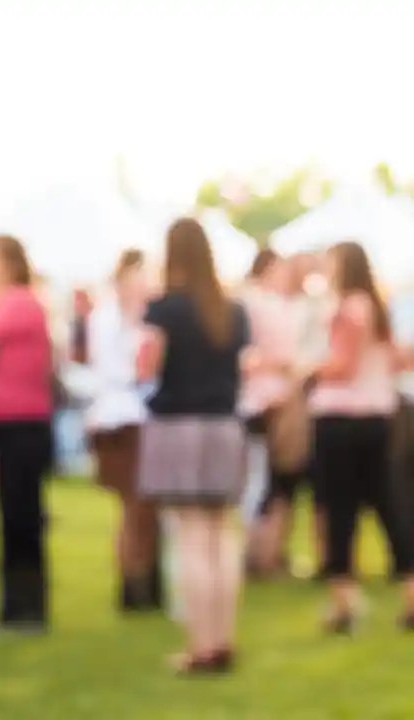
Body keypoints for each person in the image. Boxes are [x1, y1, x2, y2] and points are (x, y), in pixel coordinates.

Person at [137, 218, 249, 673]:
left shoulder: (166, 309)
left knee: (190, 533)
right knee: (221, 533)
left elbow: (146, 366)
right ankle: (223, 637)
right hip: (224, 425)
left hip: (178, 425)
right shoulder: (231, 309)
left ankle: (201, 644)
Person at [304, 240, 414, 632]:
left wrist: (305, 368)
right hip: (377, 416)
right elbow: (401, 358)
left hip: (341, 418)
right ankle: (408, 591)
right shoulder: (377, 307)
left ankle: (344, 601)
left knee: (339, 508)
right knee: (389, 503)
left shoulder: (346, 308)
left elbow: (342, 365)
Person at [0, 234, 55, 631]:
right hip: (7, 419)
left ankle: (25, 607)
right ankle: (18, 605)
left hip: (21, 421)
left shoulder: (18, 303)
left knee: (20, 517)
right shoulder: (12, 302)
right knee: (15, 515)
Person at [86, 249, 160, 612]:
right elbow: (119, 371)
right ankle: (133, 582)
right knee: (134, 506)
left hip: (142, 416)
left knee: (145, 507)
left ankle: (145, 578)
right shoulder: (107, 320)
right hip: (121, 418)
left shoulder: (145, 319)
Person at [241, 250, 314, 577]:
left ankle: (266, 553)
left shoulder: (273, 305)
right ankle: (262, 554)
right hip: (269, 400)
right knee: (267, 484)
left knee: (273, 484)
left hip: (274, 399)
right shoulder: (258, 304)